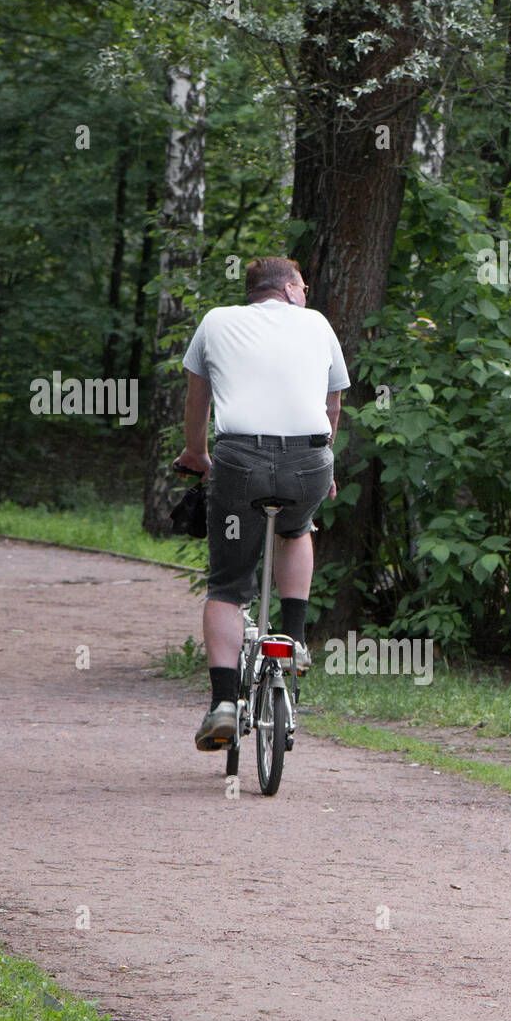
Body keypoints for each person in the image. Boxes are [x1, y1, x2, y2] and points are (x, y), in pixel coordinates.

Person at [173, 256, 350, 751]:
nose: (307, 294)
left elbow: (197, 401)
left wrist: (196, 454)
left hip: (239, 463)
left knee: (228, 584)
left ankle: (224, 703)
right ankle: (292, 640)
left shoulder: (215, 321)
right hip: (310, 461)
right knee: (297, 529)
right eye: (305, 285)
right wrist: (325, 465)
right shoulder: (317, 324)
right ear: (291, 288)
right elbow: (332, 405)